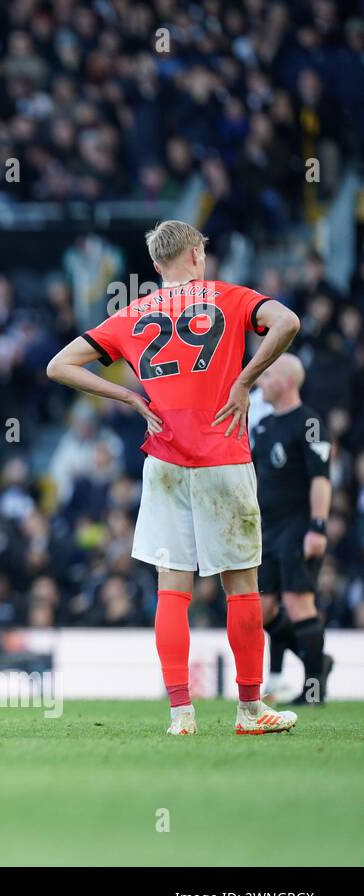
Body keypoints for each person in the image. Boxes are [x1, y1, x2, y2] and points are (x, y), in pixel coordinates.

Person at [46, 220, 301, 736]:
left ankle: (181, 714)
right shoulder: (228, 298)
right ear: (196, 255)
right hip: (223, 455)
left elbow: (59, 365)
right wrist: (245, 381)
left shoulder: (132, 313)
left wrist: (129, 397)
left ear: (157, 265)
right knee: (242, 587)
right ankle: (250, 711)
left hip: (163, 459)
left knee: (172, 590)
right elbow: (287, 322)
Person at [251, 354, 333, 705]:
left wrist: (317, 527)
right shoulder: (264, 426)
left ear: (286, 381)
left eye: (266, 375)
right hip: (266, 528)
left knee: (299, 603)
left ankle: (314, 691)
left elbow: (321, 478)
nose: (260, 382)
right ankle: (318, 660)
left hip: (298, 526)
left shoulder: (310, 422)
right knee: (263, 610)